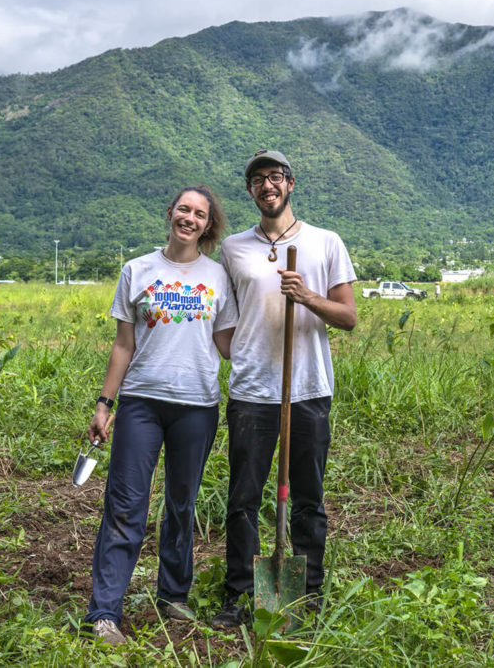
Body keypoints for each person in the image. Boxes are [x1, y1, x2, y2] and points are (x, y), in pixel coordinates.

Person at [83, 185, 237, 645]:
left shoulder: (218, 276)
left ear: (209, 226)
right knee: (126, 505)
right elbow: (123, 344)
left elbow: (228, 344)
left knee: (181, 504)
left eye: (200, 214)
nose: (190, 218)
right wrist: (104, 403)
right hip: (141, 405)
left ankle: (173, 596)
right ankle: (105, 612)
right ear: (170, 213)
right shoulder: (138, 270)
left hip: (197, 406)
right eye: (184, 209)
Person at [212, 150, 357, 629]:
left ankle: (308, 592)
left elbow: (348, 317)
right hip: (253, 390)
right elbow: (226, 317)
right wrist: (244, 350)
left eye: (274, 177)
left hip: (309, 388)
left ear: (291, 183)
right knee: (243, 498)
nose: (266, 185)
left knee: (308, 495)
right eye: (257, 179)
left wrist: (307, 296)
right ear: (250, 191)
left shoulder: (325, 242)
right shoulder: (233, 249)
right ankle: (240, 593)